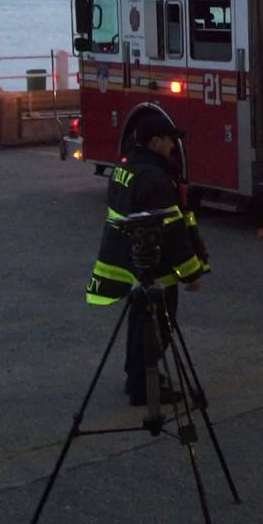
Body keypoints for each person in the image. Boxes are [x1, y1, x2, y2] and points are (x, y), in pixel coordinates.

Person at [85, 112, 208, 406]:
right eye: (169, 140)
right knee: (158, 327)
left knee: (139, 322)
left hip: (126, 260)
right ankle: (144, 386)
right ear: (155, 141)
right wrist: (191, 273)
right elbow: (173, 233)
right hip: (154, 268)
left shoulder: (125, 167)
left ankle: (137, 377)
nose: (172, 147)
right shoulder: (154, 177)